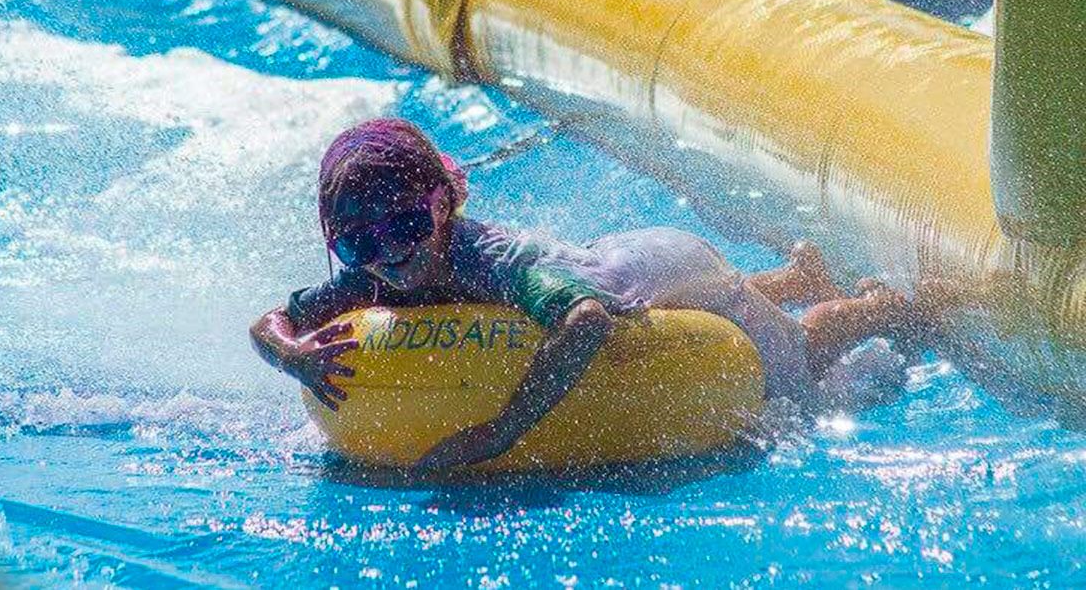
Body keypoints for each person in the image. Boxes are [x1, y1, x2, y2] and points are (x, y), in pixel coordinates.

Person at [250, 118, 918, 472]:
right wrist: (292, 355)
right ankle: (796, 275)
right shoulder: (375, 270)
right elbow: (273, 319)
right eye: (358, 244)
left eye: (402, 228)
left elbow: (589, 319)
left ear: (440, 205)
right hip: (611, 258)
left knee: (801, 363)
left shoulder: (491, 261)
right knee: (761, 306)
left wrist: (498, 432)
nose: (389, 259)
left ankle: (906, 302)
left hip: (666, 268)